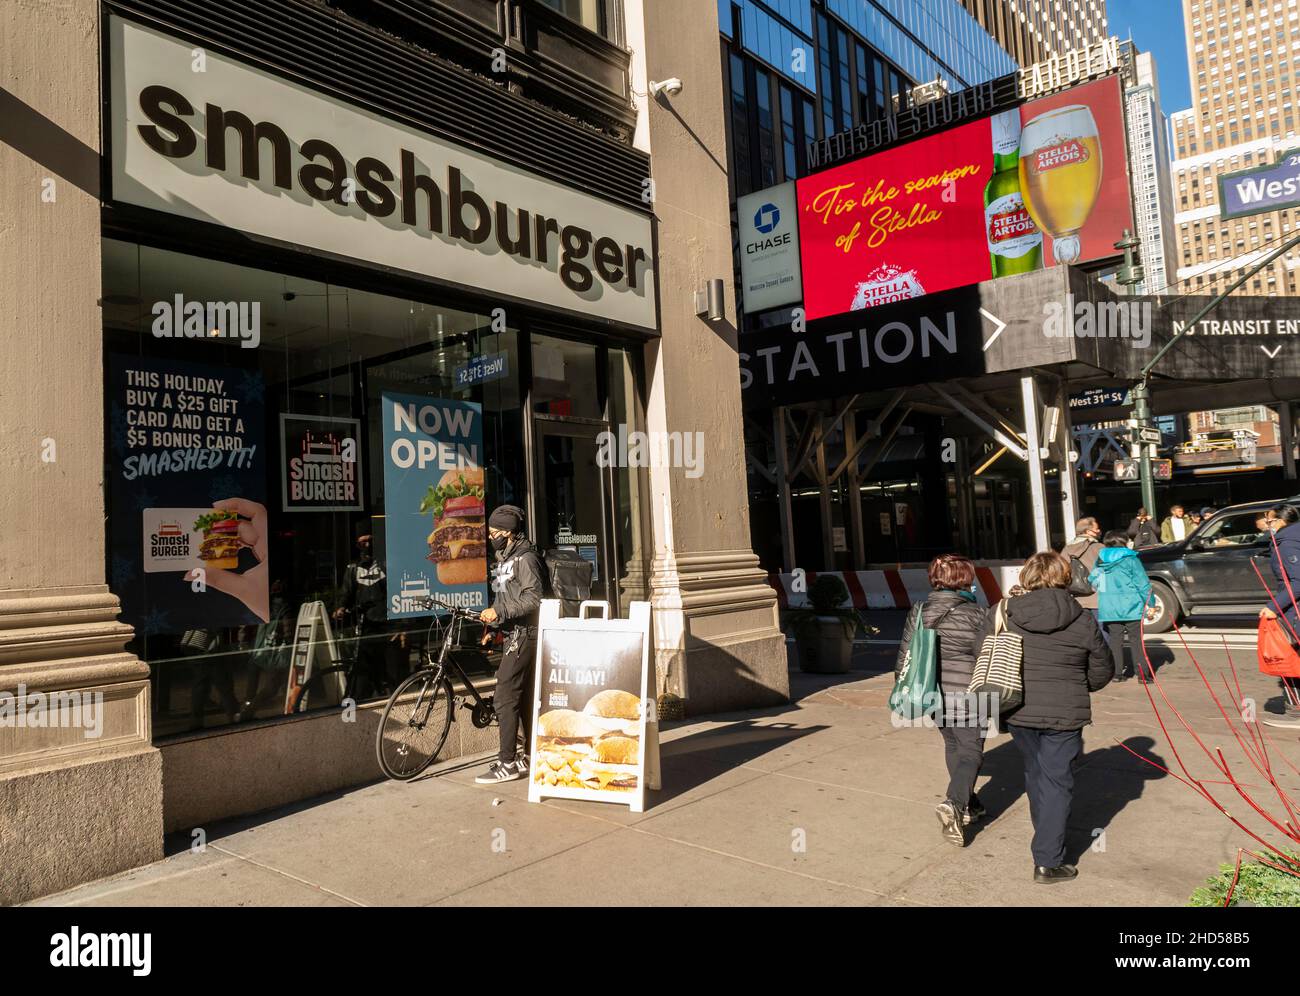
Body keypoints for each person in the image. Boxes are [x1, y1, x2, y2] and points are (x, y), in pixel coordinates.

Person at [980, 552, 1111, 884]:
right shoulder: (1081, 618)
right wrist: (1082, 685)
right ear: (1065, 577)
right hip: (1065, 712)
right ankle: (1048, 861)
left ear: (1027, 576)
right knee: (1056, 780)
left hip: (1018, 708)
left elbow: (981, 650)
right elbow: (1101, 669)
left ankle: (1046, 838)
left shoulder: (1004, 612)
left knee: (1036, 772)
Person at [894, 554, 989, 847]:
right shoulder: (977, 614)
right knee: (971, 750)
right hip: (968, 693)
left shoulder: (919, 610)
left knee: (952, 744)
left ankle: (970, 804)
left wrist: (903, 685)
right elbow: (985, 657)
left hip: (931, 692)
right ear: (965, 579)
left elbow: (906, 656)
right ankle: (955, 804)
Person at [475, 504, 544, 784]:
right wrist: (492, 626)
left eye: (495, 532)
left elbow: (534, 598)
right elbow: (504, 597)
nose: (492, 537)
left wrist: (500, 613)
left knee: (504, 697)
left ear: (510, 532)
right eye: (490, 533)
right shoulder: (504, 558)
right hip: (512, 634)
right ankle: (528, 755)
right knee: (521, 696)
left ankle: (507, 763)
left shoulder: (526, 559)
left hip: (526, 635)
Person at [334, 531, 393, 699]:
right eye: (362, 543)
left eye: (370, 541)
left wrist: (401, 625)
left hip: (387, 624)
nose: (367, 546)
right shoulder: (353, 569)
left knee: (388, 666)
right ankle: (363, 697)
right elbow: (346, 592)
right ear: (357, 546)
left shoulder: (386, 564)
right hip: (366, 624)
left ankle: (388, 693)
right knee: (364, 665)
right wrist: (340, 607)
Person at [1089, 530, 1153, 683]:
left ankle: (1117, 674)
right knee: (1136, 641)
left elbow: (1094, 581)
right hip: (1132, 606)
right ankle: (1142, 675)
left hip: (1109, 607)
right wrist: (1150, 603)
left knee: (1115, 641)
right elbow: (1142, 583)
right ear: (1124, 541)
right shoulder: (1131, 559)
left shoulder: (1101, 559)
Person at [1061, 516, 1103, 617]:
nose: (1099, 531)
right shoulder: (1099, 548)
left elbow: (1061, 570)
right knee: (1103, 631)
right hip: (1099, 599)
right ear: (1088, 531)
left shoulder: (1066, 549)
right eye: (1096, 529)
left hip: (1076, 599)